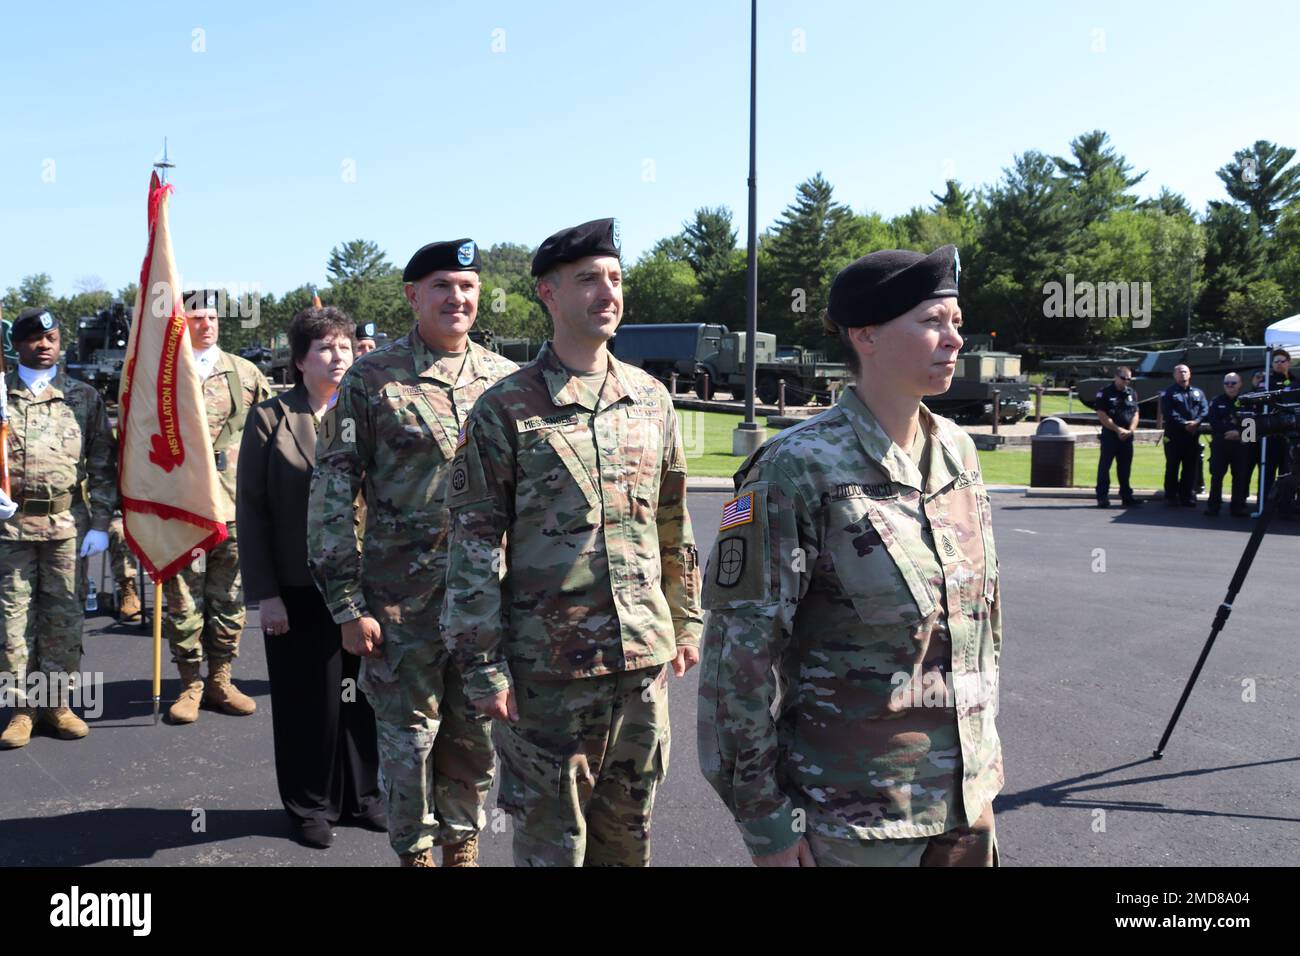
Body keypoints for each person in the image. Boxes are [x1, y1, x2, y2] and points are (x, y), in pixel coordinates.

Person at [698, 245, 1003, 867]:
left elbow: (978, 632)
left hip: (967, 806)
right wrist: (766, 824)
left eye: (957, 323)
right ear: (865, 335)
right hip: (852, 822)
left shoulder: (959, 455)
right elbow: (739, 664)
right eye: (932, 322)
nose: (954, 340)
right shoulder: (791, 469)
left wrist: (980, 784)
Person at [440, 218, 703, 867]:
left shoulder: (650, 400)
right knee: (551, 849)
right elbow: (473, 546)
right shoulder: (505, 409)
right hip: (545, 679)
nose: (606, 291)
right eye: (588, 279)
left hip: (640, 669)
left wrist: (687, 619)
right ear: (548, 293)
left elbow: (672, 520)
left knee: (628, 844)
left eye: (614, 278)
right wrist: (482, 664)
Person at [308, 238, 517, 867]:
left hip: (485, 602)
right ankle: (415, 855)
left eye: (468, 287)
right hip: (399, 606)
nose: (458, 298)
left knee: (475, 735)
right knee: (407, 743)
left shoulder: (504, 381)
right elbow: (332, 494)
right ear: (413, 296)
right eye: (443, 287)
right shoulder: (372, 380)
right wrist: (345, 605)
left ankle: (463, 846)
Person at [238, 306, 383, 849]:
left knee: (363, 696)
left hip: (366, 586)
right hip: (298, 589)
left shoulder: (368, 414)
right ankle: (308, 805)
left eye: (345, 346)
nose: (337, 355)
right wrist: (267, 596)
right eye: (324, 347)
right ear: (300, 360)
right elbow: (253, 511)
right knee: (307, 702)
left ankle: (364, 796)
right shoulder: (270, 418)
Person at [0, 308, 116, 748]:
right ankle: (21, 710)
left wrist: (102, 522)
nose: (44, 344)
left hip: (67, 526)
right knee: (12, 624)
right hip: (10, 529)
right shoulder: (0, 394)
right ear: (17, 345)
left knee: (64, 621)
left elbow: (103, 464)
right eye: (34, 338)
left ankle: (56, 704)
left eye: (51, 336)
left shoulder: (82, 396)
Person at [163, 290, 272, 724]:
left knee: (229, 598)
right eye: (196, 317)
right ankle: (189, 684)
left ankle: (220, 679)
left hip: (234, 504)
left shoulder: (244, 373)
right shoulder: (165, 376)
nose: (206, 324)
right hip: (182, 508)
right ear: (180, 323)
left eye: (212, 317)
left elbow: (270, 435)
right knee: (183, 600)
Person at [1205, 373, 1255, 517]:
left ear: (1240, 384)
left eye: (1233, 383)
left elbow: (1252, 424)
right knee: (1216, 476)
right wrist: (1230, 431)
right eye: (1227, 383)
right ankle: (1213, 506)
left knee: (1240, 477)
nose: (1230, 386)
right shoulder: (1216, 401)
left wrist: (1238, 433)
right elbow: (1214, 422)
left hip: (1242, 445)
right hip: (1221, 444)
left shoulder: (1248, 401)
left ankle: (1238, 507)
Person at [1159, 364, 1208, 507]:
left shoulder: (1198, 392)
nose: (1183, 374)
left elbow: (1204, 409)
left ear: (1190, 374)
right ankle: (1170, 496)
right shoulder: (1169, 393)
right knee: (1172, 467)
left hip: (1192, 437)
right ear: (1174, 375)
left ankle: (1186, 496)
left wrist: (1197, 422)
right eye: (1179, 372)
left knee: (1190, 468)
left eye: (1185, 372)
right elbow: (1168, 412)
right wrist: (1185, 424)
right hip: (1174, 436)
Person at [1093, 366, 1142, 507]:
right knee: (1105, 467)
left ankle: (1127, 496)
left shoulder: (1132, 393)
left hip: (1127, 436)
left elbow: (1135, 413)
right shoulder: (1105, 393)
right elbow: (1102, 415)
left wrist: (1130, 430)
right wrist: (1118, 429)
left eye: (1129, 379)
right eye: (1123, 378)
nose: (1126, 381)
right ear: (1115, 377)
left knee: (1125, 468)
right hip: (1110, 436)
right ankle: (1102, 496)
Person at [1259, 349, 1296, 517]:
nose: (1279, 364)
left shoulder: (1295, 381)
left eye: (1282, 361)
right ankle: (1265, 506)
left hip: (1289, 435)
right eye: (1276, 361)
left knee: (1288, 471)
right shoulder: (1265, 382)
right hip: (1269, 435)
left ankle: (1286, 508)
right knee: (1267, 471)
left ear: (1288, 362)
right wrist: (1249, 436)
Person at [108, 514, 141, 623]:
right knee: (120, 531)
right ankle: (128, 591)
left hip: (156, 511)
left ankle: (176, 588)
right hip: (121, 513)